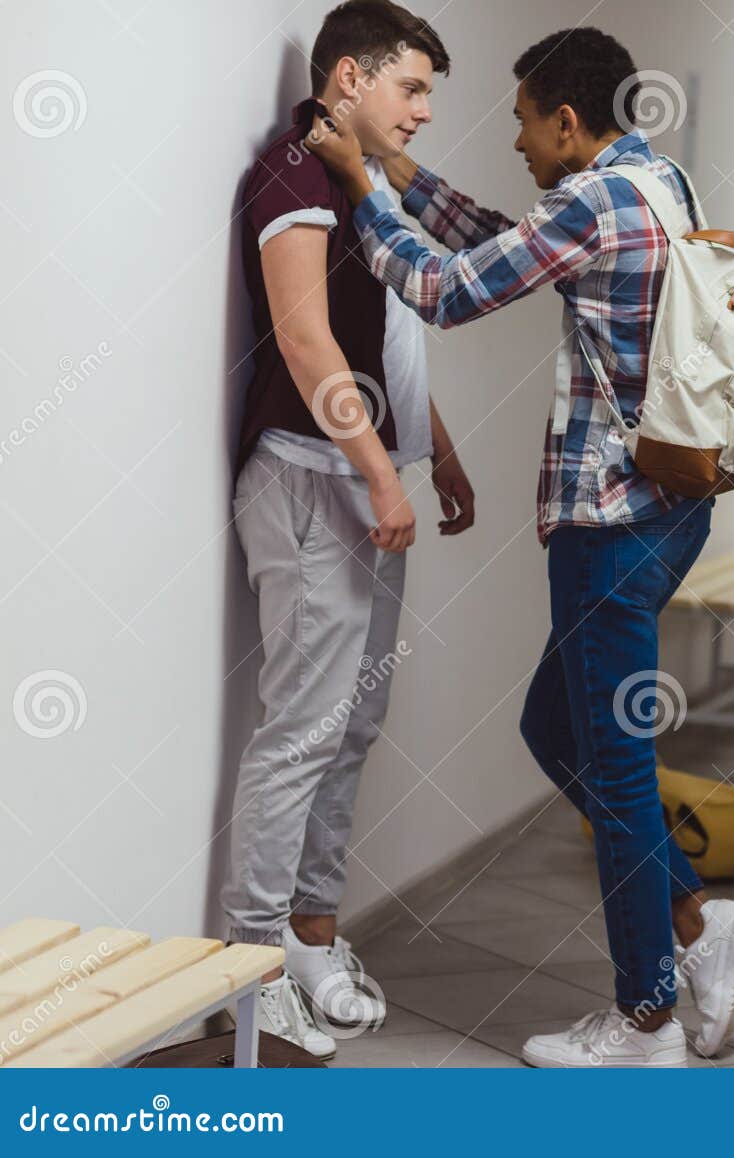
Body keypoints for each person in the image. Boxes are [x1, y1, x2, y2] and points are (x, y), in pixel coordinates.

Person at [305, 26, 734, 1068]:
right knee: (558, 728)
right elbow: (510, 236)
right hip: (668, 509)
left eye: (520, 120)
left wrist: (359, 185)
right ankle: (697, 927)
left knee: (609, 755)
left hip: (609, 521)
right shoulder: (651, 178)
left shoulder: (593, 203)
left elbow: (446, 289)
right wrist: (402, 175)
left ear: (565, 120)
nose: (512, 138)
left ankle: (645, 1017)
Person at [222, 0, 473, 1060]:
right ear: (347, 80)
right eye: (410, 87)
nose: (422, 111)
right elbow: (306, 340)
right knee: (300, 735)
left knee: (350, 727)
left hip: (364, 478)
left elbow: (388, 339)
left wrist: (435, 450)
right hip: (311, 483)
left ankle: (313, 936)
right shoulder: (293, 174)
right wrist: (381, 474)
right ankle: (250, 974)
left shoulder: (358, 185)